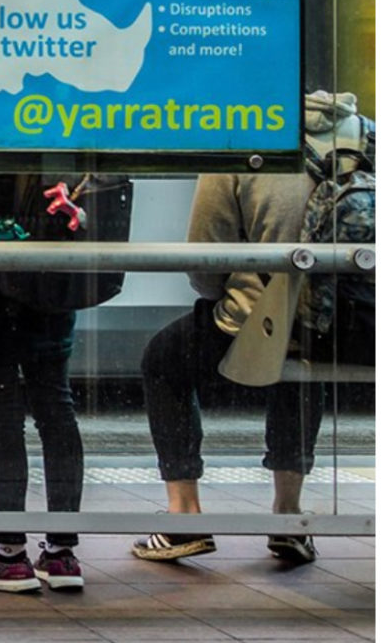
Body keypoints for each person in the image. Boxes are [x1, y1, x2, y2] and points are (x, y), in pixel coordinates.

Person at [136, 92, 367, 567]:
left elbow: (207, 254)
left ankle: (185, 518)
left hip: (259, 317)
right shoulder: (364, 132)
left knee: (163, 360)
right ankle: (288, 516)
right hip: (351, 319)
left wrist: (226, 292)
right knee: (303, 363)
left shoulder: (243, 136)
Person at [0, 171, 132, 594]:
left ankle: (8, 554)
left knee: (1, 416)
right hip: (50, 275)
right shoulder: (53, 114)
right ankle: (62, 552)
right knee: (56, 409)